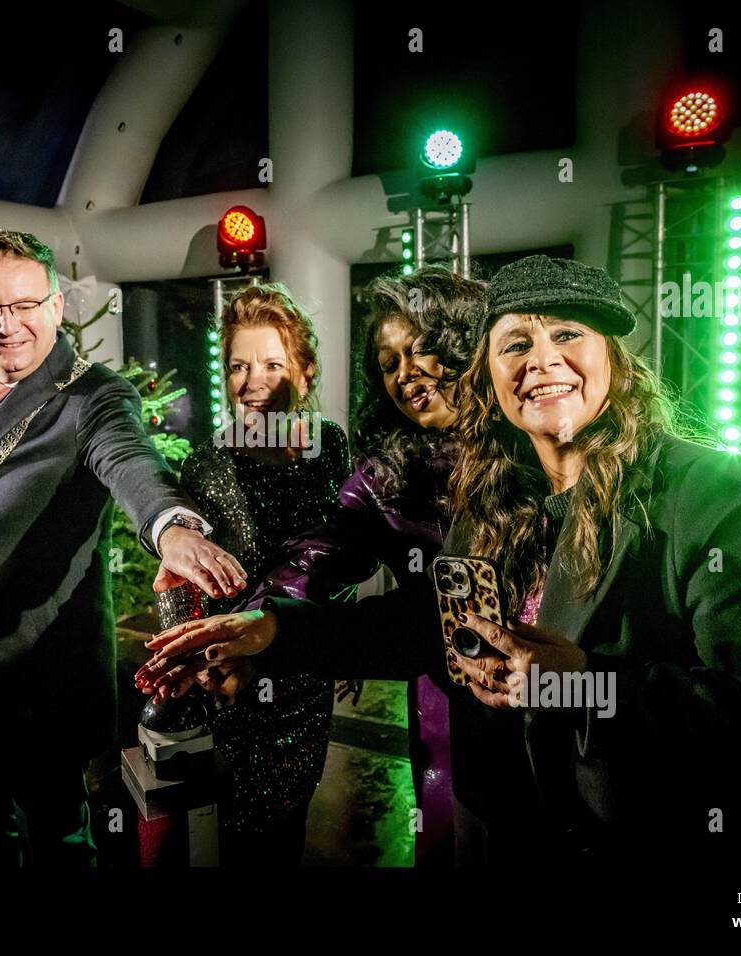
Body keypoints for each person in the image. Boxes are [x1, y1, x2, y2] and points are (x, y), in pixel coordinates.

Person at [142, 255, 741, 866]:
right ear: (489, 379)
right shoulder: (491, 506)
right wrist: (273, 634)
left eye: (567, 335)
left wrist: (588, 686)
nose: (542, 361)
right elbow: (428, 631)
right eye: (515, 344)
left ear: (615, 361)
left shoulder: (709, 489)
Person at [0, 230, 246, 866]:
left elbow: (129, 459)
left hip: (42, 681)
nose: (8, 325)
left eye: (24, 305)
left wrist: (169, 525)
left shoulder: (92, 395)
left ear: (55, 306)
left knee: (58, 845)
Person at [179, 265, 485, 866]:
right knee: (450, 826)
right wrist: (258, 630)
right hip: (416, 687)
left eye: (422, 350)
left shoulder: (536, 447)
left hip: (560, 698)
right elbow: (324, 553)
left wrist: (327, 637)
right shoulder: (384, 473)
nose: (407, 374)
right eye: (389, 362)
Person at [146, 283, 350, 866]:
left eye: (272, 363)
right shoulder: (208, 463)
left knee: (288, 827)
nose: (252, 380)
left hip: (305, 678)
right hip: (230, 685)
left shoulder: (328, 446)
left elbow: (342, 551)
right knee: (227, 834)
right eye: (238, 365)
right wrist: (186, 664)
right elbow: (178, 582)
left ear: (304, 373)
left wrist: (338, 644)